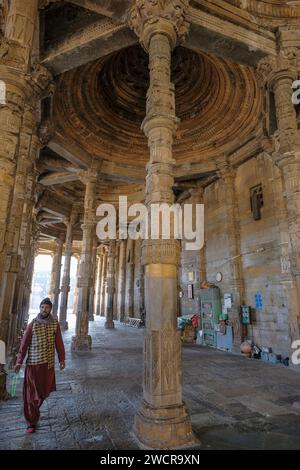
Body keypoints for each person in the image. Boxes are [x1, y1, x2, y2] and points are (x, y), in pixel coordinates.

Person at [14, 297, 65, 433]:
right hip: (33, 364)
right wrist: (19, 361)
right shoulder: (33, 324)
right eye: (42, 307)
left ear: (50, 309)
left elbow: (59, 343)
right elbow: (24, 344)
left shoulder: (54, 324)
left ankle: (34, 414)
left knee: (43, 392)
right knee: (31, 395)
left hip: (47, 365)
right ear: (40, 308)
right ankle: (31, 421)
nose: (44, 309)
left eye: (47, 307)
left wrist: (62, 359)